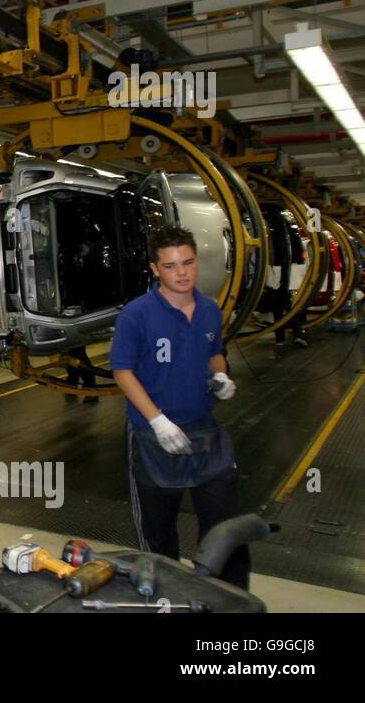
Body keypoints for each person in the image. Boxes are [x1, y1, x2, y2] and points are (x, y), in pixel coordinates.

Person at [110, 226, 249, 589]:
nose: (182, 273)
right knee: (158, 535)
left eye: (188, 263)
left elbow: (214, 352)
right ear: (155, 269)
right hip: (151, 436)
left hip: (204, 430)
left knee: (225, 529)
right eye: (171, 266)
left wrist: (220, 375)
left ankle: (228, 600)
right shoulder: (137, 314)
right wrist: (157, 421)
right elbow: (122, 371)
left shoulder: (210, 310)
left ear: (196, 261)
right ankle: (165, 599)